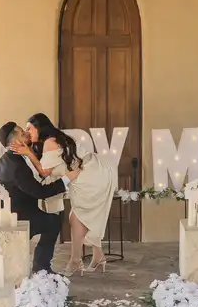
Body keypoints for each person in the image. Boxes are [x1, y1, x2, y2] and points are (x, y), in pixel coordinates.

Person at [9, 113, 118, 276]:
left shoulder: (49, 142)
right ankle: (97, 257)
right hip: (94, 171)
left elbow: (44, 172)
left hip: (90, 177)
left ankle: (76, 261)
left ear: (39, 127)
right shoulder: (51, 140)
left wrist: (28, 153)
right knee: (81, 216)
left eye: (29, 128)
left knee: (77, 218)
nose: (27, 133)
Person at [0, 122, 80, 274]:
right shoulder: (15, 166)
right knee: (53, 222)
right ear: (16, 142)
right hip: (18, 217)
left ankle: (40, 265)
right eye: (22, 133)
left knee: (52, 219)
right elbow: (40, 192)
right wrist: (67, 179)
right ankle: (41, 268)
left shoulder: (8, 159)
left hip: (17, 211)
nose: (27, 134)